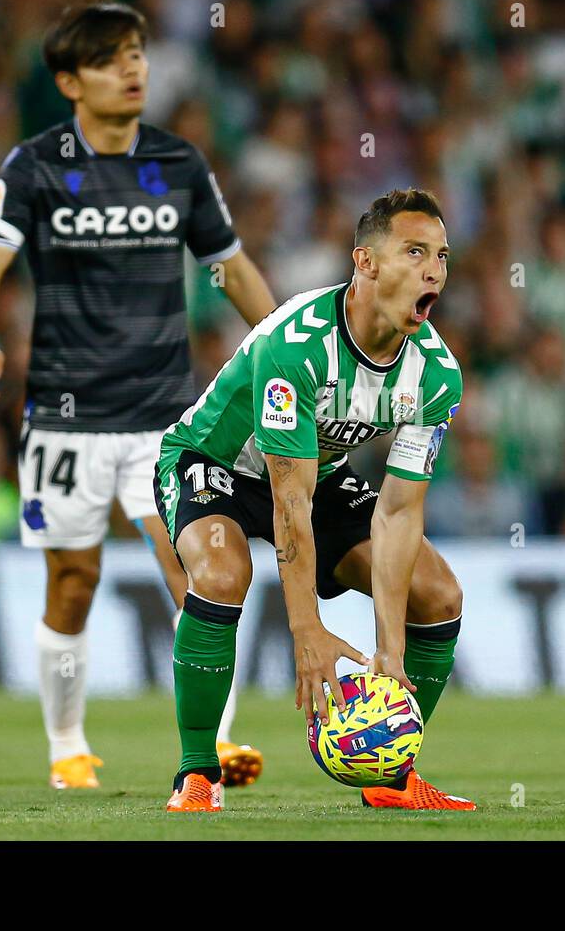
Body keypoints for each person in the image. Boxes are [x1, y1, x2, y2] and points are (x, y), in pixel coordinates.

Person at [0, 3, 275, 789]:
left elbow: (228, 264)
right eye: (110, 60)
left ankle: (216, 746)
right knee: (74, 580)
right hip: (66, 417)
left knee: (194, 566)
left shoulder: (178, 164)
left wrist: (282, 345)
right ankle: (67, 743)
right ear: (70, 82)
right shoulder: (33, 164)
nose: (133, 69)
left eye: (136, 53)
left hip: (165, 416)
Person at [154, 188, 472, 812]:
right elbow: (287, 501)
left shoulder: (437, 376)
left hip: (316, 474)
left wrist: (390, 648)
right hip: (211, 459)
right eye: (415, 251)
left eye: (441, 255)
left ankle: (392, 778)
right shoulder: (297, 344)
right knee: (222, 574)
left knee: (438, 596)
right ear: (366, 263)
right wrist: (308, 633)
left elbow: (401, 510)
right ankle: (197, 776)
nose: (434, 268)